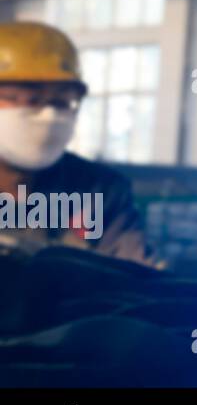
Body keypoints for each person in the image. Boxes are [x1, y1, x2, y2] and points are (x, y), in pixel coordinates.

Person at [0, 22, 152, 263]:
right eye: (30, 99)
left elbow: (130, 281)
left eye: (62, 102)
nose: (48, 116)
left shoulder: (100, 191)